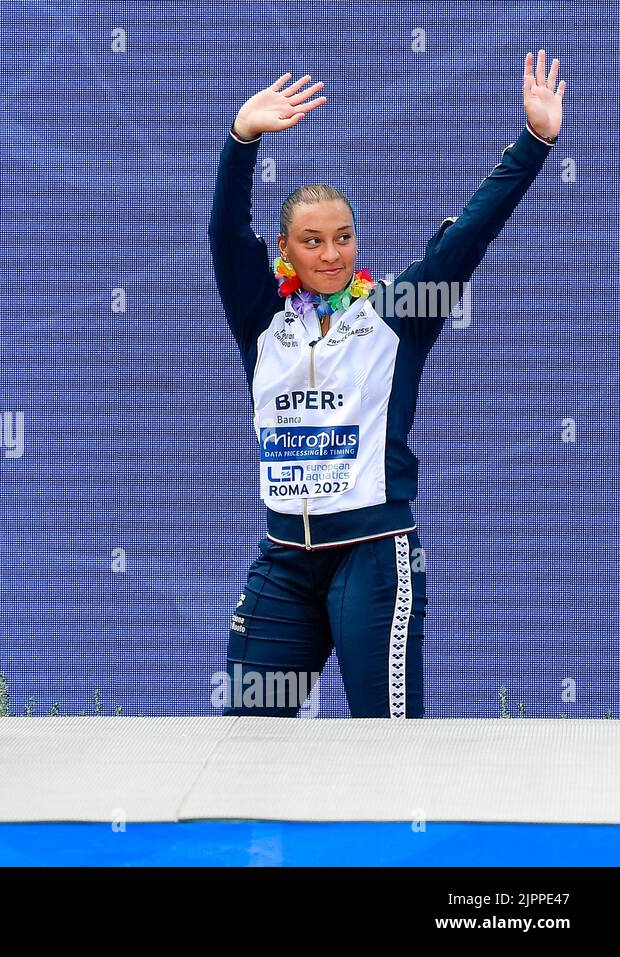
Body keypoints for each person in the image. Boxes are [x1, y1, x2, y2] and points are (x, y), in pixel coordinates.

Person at [209, 52, 565, 718]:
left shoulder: (397, 312)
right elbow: (224, 233)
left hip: (373, 560)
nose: (332, 253)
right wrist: (241, 140)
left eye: (344, 237)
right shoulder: (261, 320)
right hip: (284, 561)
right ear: (285, 250)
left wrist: (535, 142)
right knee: (242, 746)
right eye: (312, 241)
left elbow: (468, 236)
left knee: (389, 756)